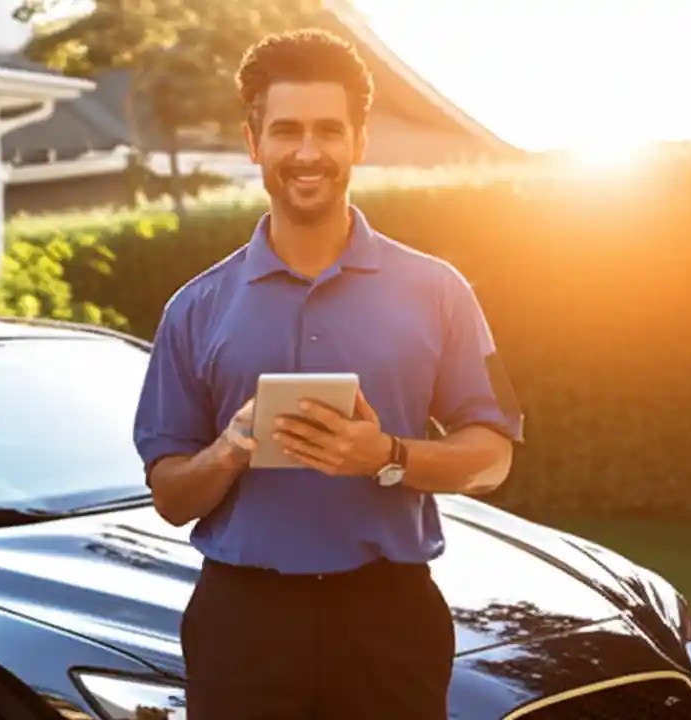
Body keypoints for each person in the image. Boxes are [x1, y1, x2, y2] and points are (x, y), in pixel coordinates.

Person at [132, 28, 525, 720]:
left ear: (359, 141)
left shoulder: (438, 291)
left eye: (328, 131)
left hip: (390, 621)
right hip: (241, 626)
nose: (308, 153)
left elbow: (491, 458)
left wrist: (390, 456)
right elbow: (170, 498)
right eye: (286, 131)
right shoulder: (194, 309)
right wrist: (230, 450)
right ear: (254, 143)